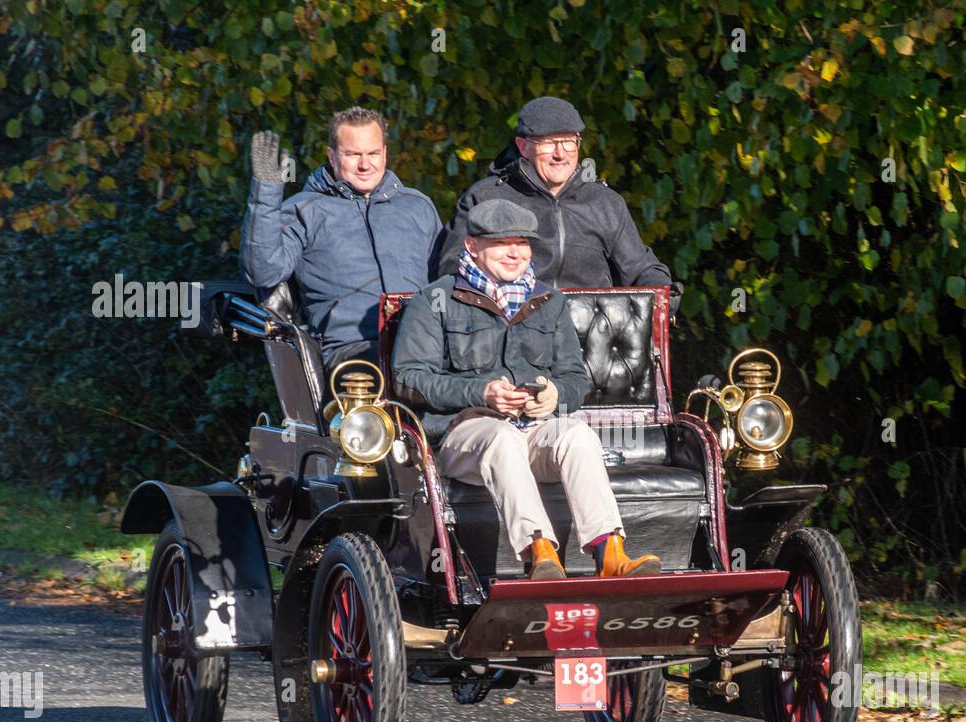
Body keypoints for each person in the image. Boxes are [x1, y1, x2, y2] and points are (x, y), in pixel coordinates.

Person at [394, 198, 661, 580]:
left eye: (522, 242)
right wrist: (481, 393)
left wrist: (554, 396)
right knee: (501, 437)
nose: (515, 252)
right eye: (503, 242)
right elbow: (408, 378)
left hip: (533, 430)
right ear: (472, 246)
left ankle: (611, 553)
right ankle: (541, 553)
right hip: (462, 434)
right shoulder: (435, 300)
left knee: (577, 434)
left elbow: (574, 378)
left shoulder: (548, 301)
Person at [432, 97, 681, 312]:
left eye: (569, 141)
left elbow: (641, 269)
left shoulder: (605, 203)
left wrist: (664, 292)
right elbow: (450, 270)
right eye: (549, 142)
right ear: (523, 146)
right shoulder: (484, 198)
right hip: (510, 338)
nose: (560, 153)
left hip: (594, 339)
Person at [240, 107, 442, 370]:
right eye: (353, 154)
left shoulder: (418, 206)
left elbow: (446, 280)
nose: (365, 164)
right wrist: (266, 192)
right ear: (331, 156)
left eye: (373, 153)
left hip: (424, 344)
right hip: (351, 352)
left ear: (385, 153)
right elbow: (262, 273)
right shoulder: (305, 210)